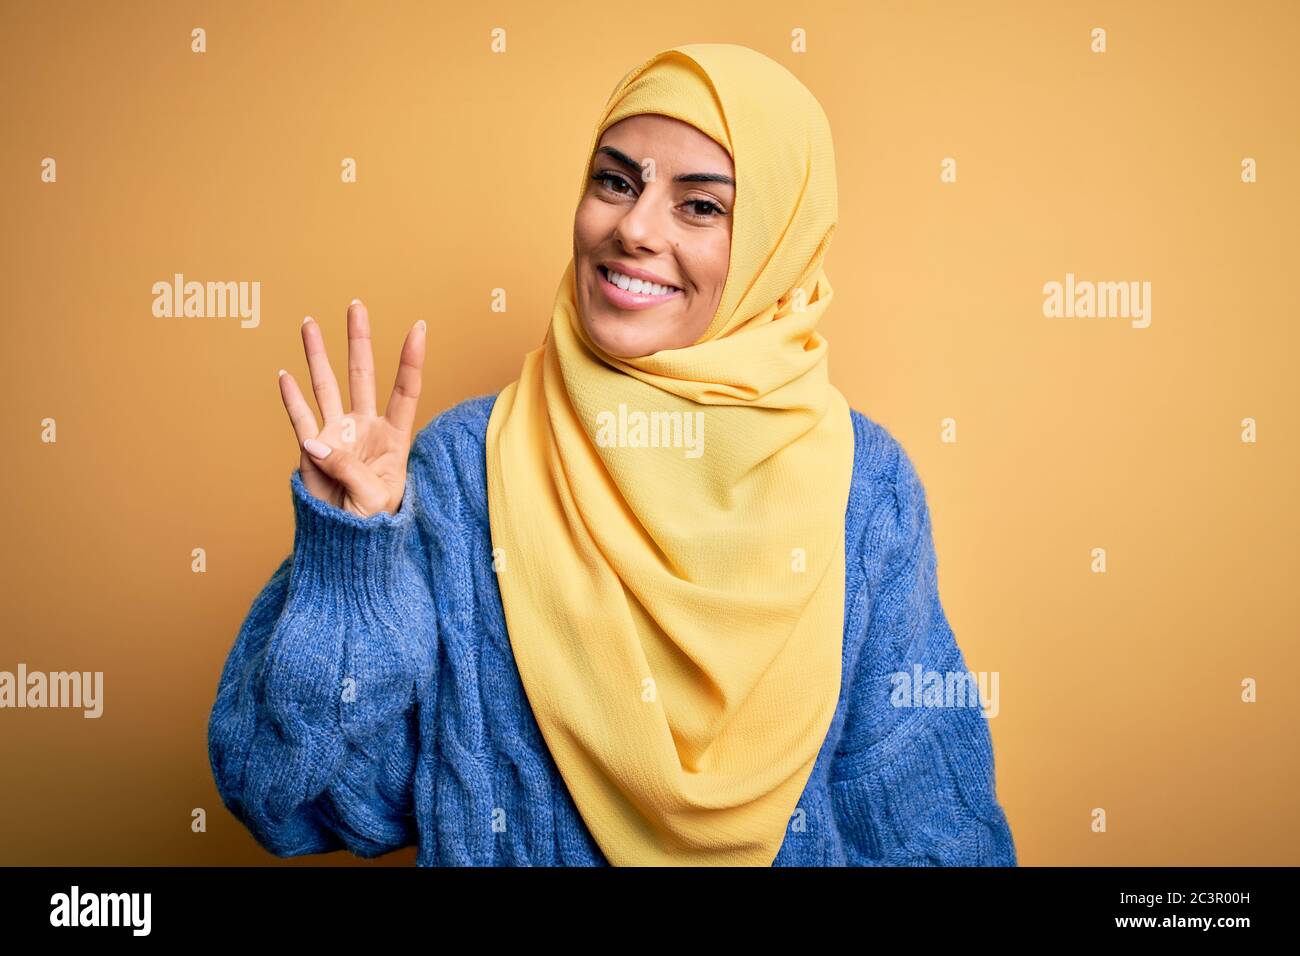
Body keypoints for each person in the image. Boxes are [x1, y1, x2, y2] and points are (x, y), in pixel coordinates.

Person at [207, 42, 1017, 867]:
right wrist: (350, 566)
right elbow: (298, 806)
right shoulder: (461, 473)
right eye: (617, 181)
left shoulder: (864, 488)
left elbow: (931, 837)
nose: (633, 228)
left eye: (700, 206)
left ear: (779, 241)